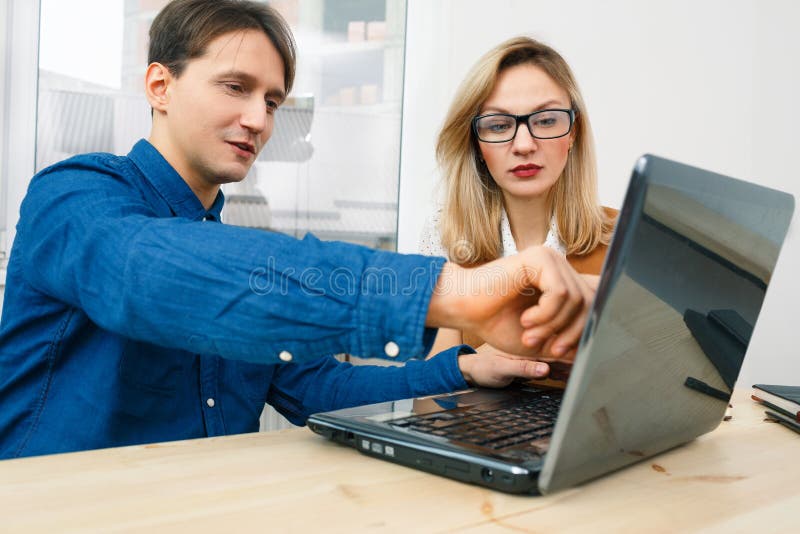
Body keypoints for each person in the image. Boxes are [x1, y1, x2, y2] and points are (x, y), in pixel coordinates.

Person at [0, 1, 594, 459]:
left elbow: (318, 391)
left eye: (274, 100)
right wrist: (454, 294)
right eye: (235, 87)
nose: (258, 120)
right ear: (160, 85)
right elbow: (150, 274)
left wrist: (460, 369)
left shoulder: (230, 245)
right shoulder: (73, 195)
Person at [419, 36, 617, 360]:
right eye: (499, 125)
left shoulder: (625, 237)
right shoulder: (446, 232)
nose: (524, 144)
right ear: (476, 144)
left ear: (573, 133)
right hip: (477, 412)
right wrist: (470, 365)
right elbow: (431, 403)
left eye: (546, 120)